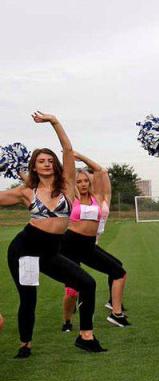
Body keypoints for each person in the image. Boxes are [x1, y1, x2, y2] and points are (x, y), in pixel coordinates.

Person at [1, 112, 105, 357]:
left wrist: (54, 121)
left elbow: (68, 150)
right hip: (25, 250)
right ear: (34, 167)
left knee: (87, 283)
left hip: (50, 252)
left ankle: (85, 336)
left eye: (50, 160)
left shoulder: (67, 184)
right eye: (41, 161)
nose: (47, 163)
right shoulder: (27, 191)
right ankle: (25, 344)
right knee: (29, 297)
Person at [60, 153, 130, 329]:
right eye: (79, 181)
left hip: (88, 245)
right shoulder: (71, 198)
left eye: (85, 181)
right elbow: (66, 177)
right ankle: (67, 321)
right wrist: (69, 158)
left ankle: (116, 314)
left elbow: (100, 170)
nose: (83, 184)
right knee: (72, 291)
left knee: (118, 271)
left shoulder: (97, 198)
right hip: (69, 244)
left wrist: (81, 157)